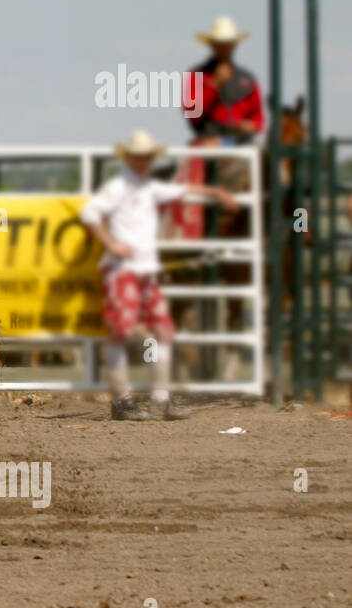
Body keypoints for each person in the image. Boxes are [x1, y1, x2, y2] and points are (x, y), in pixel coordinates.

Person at [80, 130, 238, 421]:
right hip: (123, 271)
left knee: (161, 331)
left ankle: (158, 399)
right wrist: (113, 245)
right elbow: (89, 213)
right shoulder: (119, 187)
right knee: (122, 335)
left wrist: (215, 193)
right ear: (130, 158)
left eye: (146, 157)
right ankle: (124, 400)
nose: (143, 162)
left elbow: (184, 190)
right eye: (139, 157)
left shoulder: (147, 187)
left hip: (143, 272)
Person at [182, 15, 264, 198]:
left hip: (243, 143)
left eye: (228, 43)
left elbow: (258, 118)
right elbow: (191, 113)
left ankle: (298, 223)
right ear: (211, 45)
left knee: (277, 171)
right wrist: (215, 87)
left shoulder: (248, 79)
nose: (225, 47)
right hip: (210, 141)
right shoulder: (196, 76)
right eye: (220, 43)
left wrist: (251, 126)